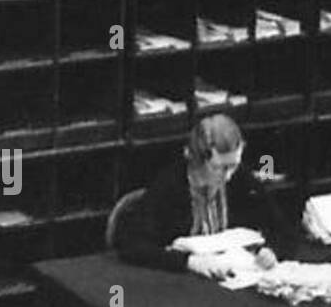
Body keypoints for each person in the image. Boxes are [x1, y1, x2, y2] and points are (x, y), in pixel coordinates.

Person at [115, 114, 292, 275]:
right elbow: (131, 243)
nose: (228, 176)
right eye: (219, 168)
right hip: (181, 285)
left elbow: (282, 228)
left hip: (231, 274)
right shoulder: (170, 184)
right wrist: (189, 262)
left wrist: (271, 250)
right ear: (197, 160)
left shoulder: (240, 178)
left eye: (234, 165)